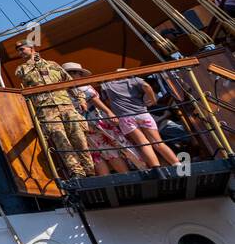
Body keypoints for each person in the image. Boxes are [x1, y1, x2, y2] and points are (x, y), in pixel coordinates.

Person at [14, 42, 94, 178]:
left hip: (66, 105)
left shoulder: (53, 65)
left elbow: (69, 82)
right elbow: (23, 76)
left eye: (22, 49)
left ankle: (90, 169)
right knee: (60, 140)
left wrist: (80, 99)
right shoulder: (22, 69)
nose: (19, 52)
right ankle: (76, 171)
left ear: (32, 48)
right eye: (18, 50)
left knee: (79, 138)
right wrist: (34, 62)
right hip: (46, 109)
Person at [61, 62, 140, 175]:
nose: (77, 75)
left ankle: (117, 176)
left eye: (76, 73)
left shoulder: (64, 90)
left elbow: (94, 101)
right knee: (113, 147)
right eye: (75, 73)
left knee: (99, 152)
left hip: (84, 123)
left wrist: (109, 112)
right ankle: (132, 172)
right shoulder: (81, 87)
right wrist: (109, 112)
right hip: (94, 121)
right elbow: (95, 100)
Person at [98, 70, 181, 168]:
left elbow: (106, 101)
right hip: (142, 114)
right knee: (158, 142)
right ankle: (176, 164)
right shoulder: (135, 80)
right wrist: (153, 100)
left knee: (144, 143)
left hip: (126, 117)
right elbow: (146, 86)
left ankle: (157, 168)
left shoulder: (108, 85)